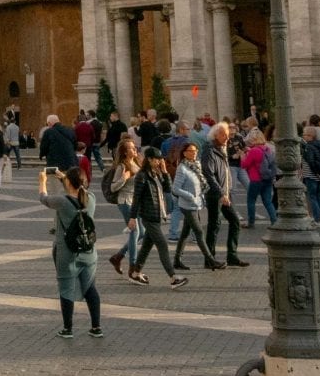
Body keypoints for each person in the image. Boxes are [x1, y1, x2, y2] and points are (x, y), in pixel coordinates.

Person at [39, 162, 103, 338]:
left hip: (67, 252)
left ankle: (68, 329)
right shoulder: (91, 198)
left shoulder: (62, 202)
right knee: (90, 288)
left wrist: (42, 181)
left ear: (68, 182)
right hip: (89, 252)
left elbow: (43, 198)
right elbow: (78, 190)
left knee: (66, 288)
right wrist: (64, 178)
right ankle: (96, 327)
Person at [126, 153, 189, 288]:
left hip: (157, 216)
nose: (159, 162)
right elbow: (136, 198)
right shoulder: (142, 176)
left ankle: (135, 273)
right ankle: (173, 278)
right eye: (157, 159)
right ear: (149, 159)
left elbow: (168, 189)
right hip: (148, 216)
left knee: (146, 246)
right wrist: (132, 217)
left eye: (160, 159)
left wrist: (165, 172)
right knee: (162, 244)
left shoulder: (156, 174)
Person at [201, 123, 248, 270]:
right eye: (223, 134)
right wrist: (221, 193)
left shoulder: (222, 148)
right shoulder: (210, 150)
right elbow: (208, 174)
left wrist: (226, 191)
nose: (227, 137)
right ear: (215, 135)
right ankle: (210, 259)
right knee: (214, 225)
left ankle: (232, 256)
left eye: (227, 134)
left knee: (234, 221)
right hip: (215, 194)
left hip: (225, 193)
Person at [103, 137, 143, 277]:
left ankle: (118, 256)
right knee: (135, 231)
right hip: (125, 201)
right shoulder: (122, 166)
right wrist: (124, 178)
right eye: (131, 148)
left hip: (136, 202)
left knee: (142, 232)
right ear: (125, 152)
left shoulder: (136, 162)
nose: (134, 149)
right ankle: (133, 266)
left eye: (134, 146)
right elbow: (113, 187)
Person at [240, 131, 277, 225]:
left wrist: (242, 156)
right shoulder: (268, 149)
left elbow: (244, 164)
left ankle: (251, 222)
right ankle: (274, 220)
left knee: (251, 200)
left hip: (256, 179)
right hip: (268, 178)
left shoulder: (254, 151)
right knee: (268, 201)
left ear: (254, 139)